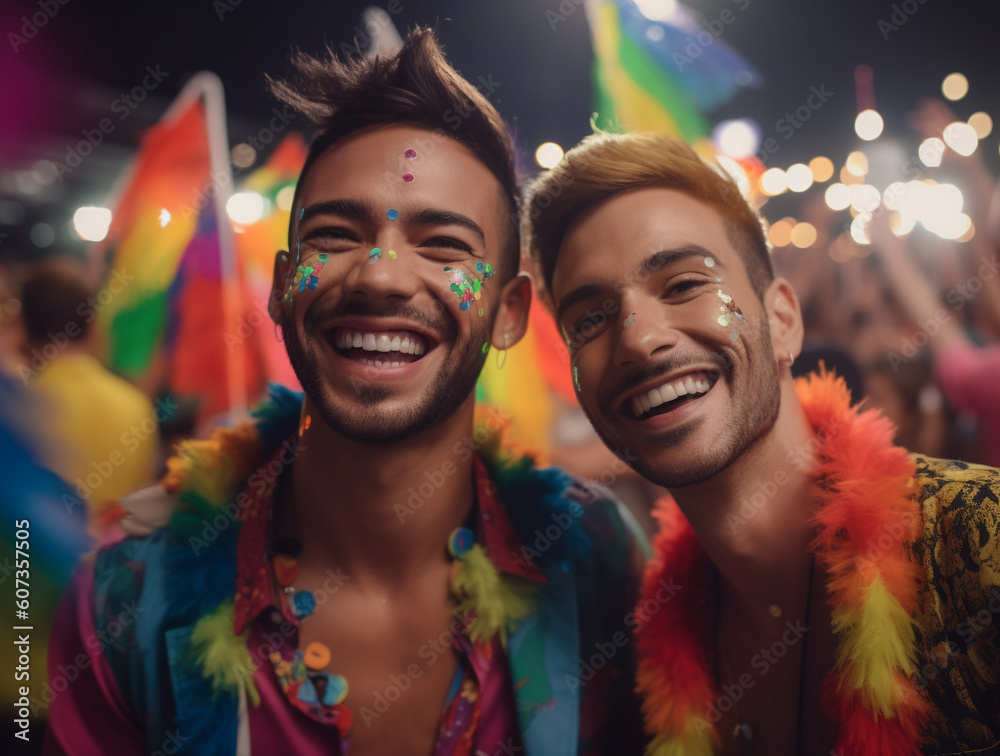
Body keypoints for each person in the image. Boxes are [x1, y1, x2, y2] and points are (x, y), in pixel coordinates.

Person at [44, 29, 648, 756]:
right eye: (334, 235)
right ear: (278, 288)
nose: (381, 276)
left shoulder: (595, 559)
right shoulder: (123, 602)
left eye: (444, 245)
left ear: (510, 313)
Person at [523, 130, 1000, 755]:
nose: (638, 339)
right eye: (590, 318)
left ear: (783, 321)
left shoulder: (980, 544)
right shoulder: (641, 658)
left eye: (683, 283)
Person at [19, 259, 158, 522]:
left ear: (24, 327)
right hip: (112, 560)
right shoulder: (135, 405)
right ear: (94, 328)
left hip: (27, 561)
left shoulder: (18, 408)